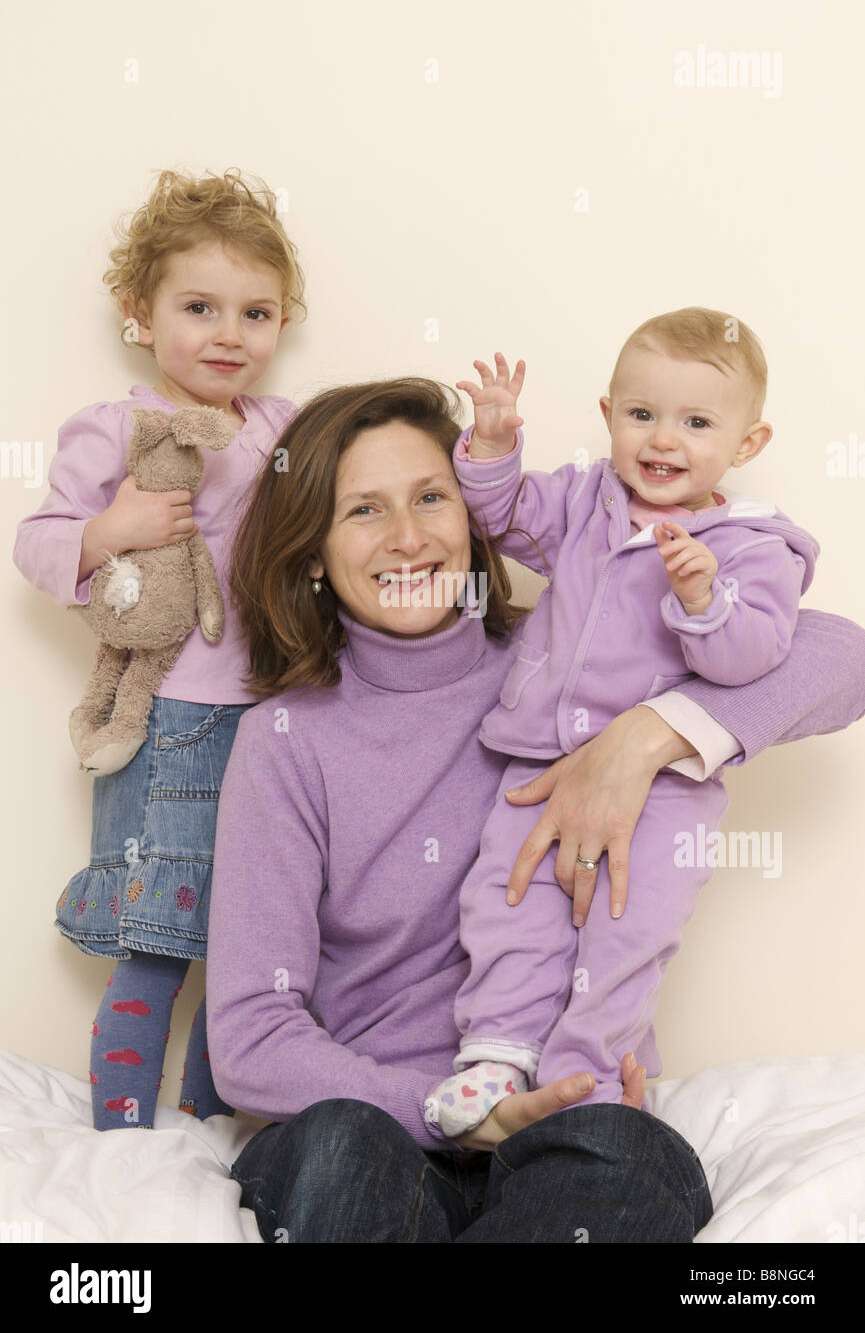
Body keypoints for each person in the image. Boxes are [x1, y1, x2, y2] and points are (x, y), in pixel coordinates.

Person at [205, 375, 865, 1242]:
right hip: (382, 1129)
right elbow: (251, 1039)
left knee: (623, 1155)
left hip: (564, 1126)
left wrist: (641, 737)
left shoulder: (566, 671)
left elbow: (841, 658)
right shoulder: (286, 739)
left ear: (474, 511)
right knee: (338, 1144)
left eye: (431, 496)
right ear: (312, 553)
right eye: (363, 511)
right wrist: (447, 1110)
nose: (409, 539)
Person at [426, 309, 820, 1135]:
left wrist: (703, 601)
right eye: (640, 415)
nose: (662, 440)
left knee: (624, 930)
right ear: (607, 416)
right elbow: (502, 519)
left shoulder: (754, 548)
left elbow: (754, 660)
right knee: (506, 903)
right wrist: (492, 446)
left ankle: (590, 1074)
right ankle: (495, 1054)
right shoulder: (584, 502)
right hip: (535, 761)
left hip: (669, 790)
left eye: (696, 422)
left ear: (746, 444)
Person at [12, 167, 305, 1129]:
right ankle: (123, 1138)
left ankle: (214, 1132)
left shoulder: (287, 432)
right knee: (157, 939)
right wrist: (112, 529)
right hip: (169, 720)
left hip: (276, 725)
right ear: (142, 316)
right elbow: (39, 544)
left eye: (256, 312)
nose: (230, 333)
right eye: (200, 307)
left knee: (254, 948)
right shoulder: (116, 428)